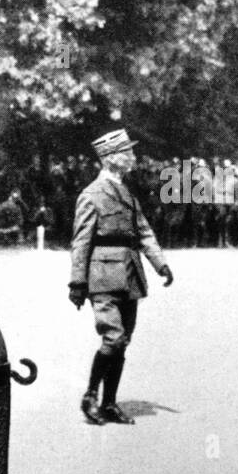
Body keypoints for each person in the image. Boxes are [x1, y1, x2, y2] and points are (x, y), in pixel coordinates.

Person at [69, 128, 173, 425]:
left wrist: (160, 264)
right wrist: (77, 282)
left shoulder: (126, 192)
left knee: (123, 341)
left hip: (129, 275)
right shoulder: (91, 195)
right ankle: (90, 395)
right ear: (110, 158)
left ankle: (110, 403)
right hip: (101, 276)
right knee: (113, 339)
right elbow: (81, 241)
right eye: (127, 152)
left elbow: (143, 231)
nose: (132, 157)